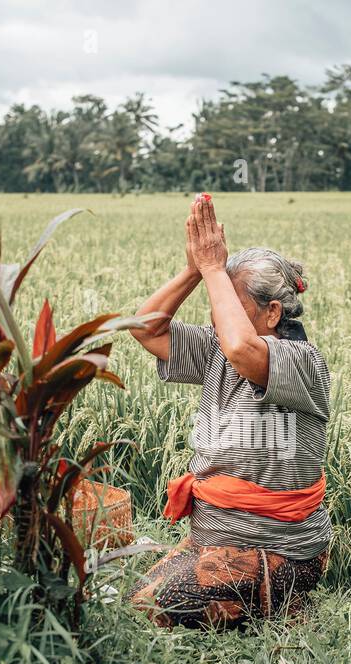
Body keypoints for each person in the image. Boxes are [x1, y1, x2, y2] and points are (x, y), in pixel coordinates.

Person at [128, 194, 331, 628]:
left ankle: (285, 595)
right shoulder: (219, 349)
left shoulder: (301, 361)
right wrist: (194, 269)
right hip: (215, 538)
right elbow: (145, 329)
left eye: (230, 304)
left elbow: (243, 348)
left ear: (272, 312)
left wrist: (216, 269)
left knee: (146, 608)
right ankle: (264, 604)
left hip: (277, 547)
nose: (218, 315)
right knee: (140, 591)